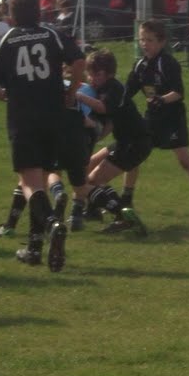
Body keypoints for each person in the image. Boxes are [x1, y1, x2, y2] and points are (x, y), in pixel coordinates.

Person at [0, 0, 81, 270]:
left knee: (29, 183)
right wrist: (71, 92)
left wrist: (3, 95)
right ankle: (35, 248)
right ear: (39, 13)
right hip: (53, 115)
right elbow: (79, 61)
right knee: (41, 178)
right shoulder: (52, 34)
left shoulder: (3, 41)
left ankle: (52, 225)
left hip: (23, 117)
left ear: (11, 16)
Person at [126, 18, 189, 215]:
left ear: (161, 42)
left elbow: (178, 92)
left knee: (184, 160)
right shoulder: (140, 66)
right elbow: (127, 92)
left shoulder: (167, 63)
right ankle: (126, 199)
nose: (145, 44)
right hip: (152, 118)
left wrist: (162, 99)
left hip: (172, 118)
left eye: (150, 40)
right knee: (132, 155)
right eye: (142, 39)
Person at [76, 50, 151, 236]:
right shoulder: (104, 88)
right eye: (88, 74)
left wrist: (78, 96)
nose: (90, 78)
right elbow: (109, 123)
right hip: (125, 141)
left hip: (134, 144)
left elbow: (103, 108)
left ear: (103, 74)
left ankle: (123, 216)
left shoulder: (113, 88)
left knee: (93, 180)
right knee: (88, 164)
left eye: (92, 74)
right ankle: (93, 211)